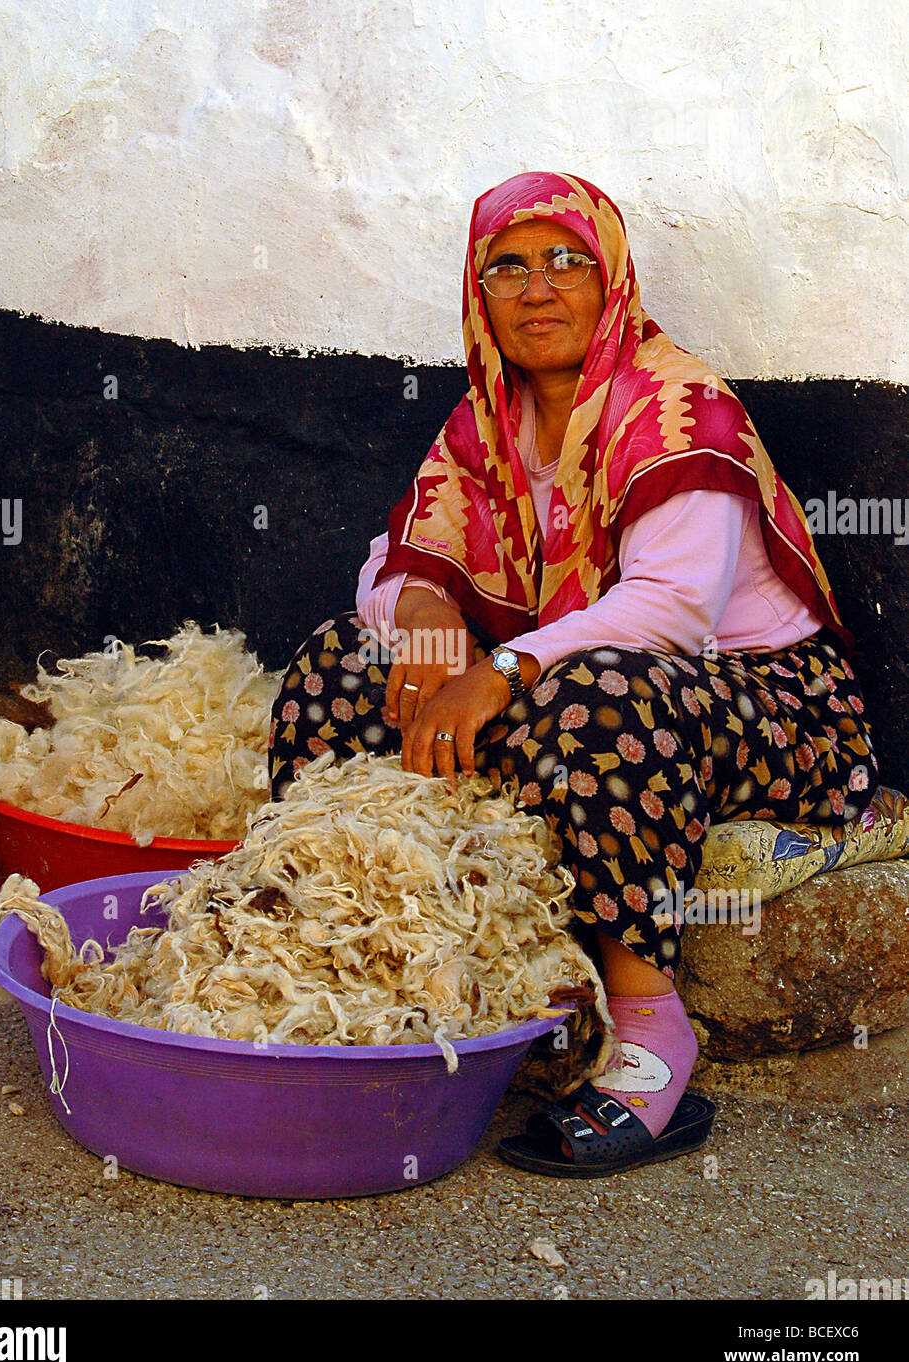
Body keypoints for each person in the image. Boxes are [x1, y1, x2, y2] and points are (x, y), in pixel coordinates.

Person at [267, 171, 879, 1178]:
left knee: (598, 699)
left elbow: (669, 612)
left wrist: (495, 670)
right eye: (506, 266)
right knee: (342, 662)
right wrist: (430, 627)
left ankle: (647, 1037)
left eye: (566, 262)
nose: (537, 289)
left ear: (611, 281)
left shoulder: (677, 409)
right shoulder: (483, 424)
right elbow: (397, 563)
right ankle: (348, 948)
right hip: (564, 673)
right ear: (480, 295)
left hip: (769, 709)